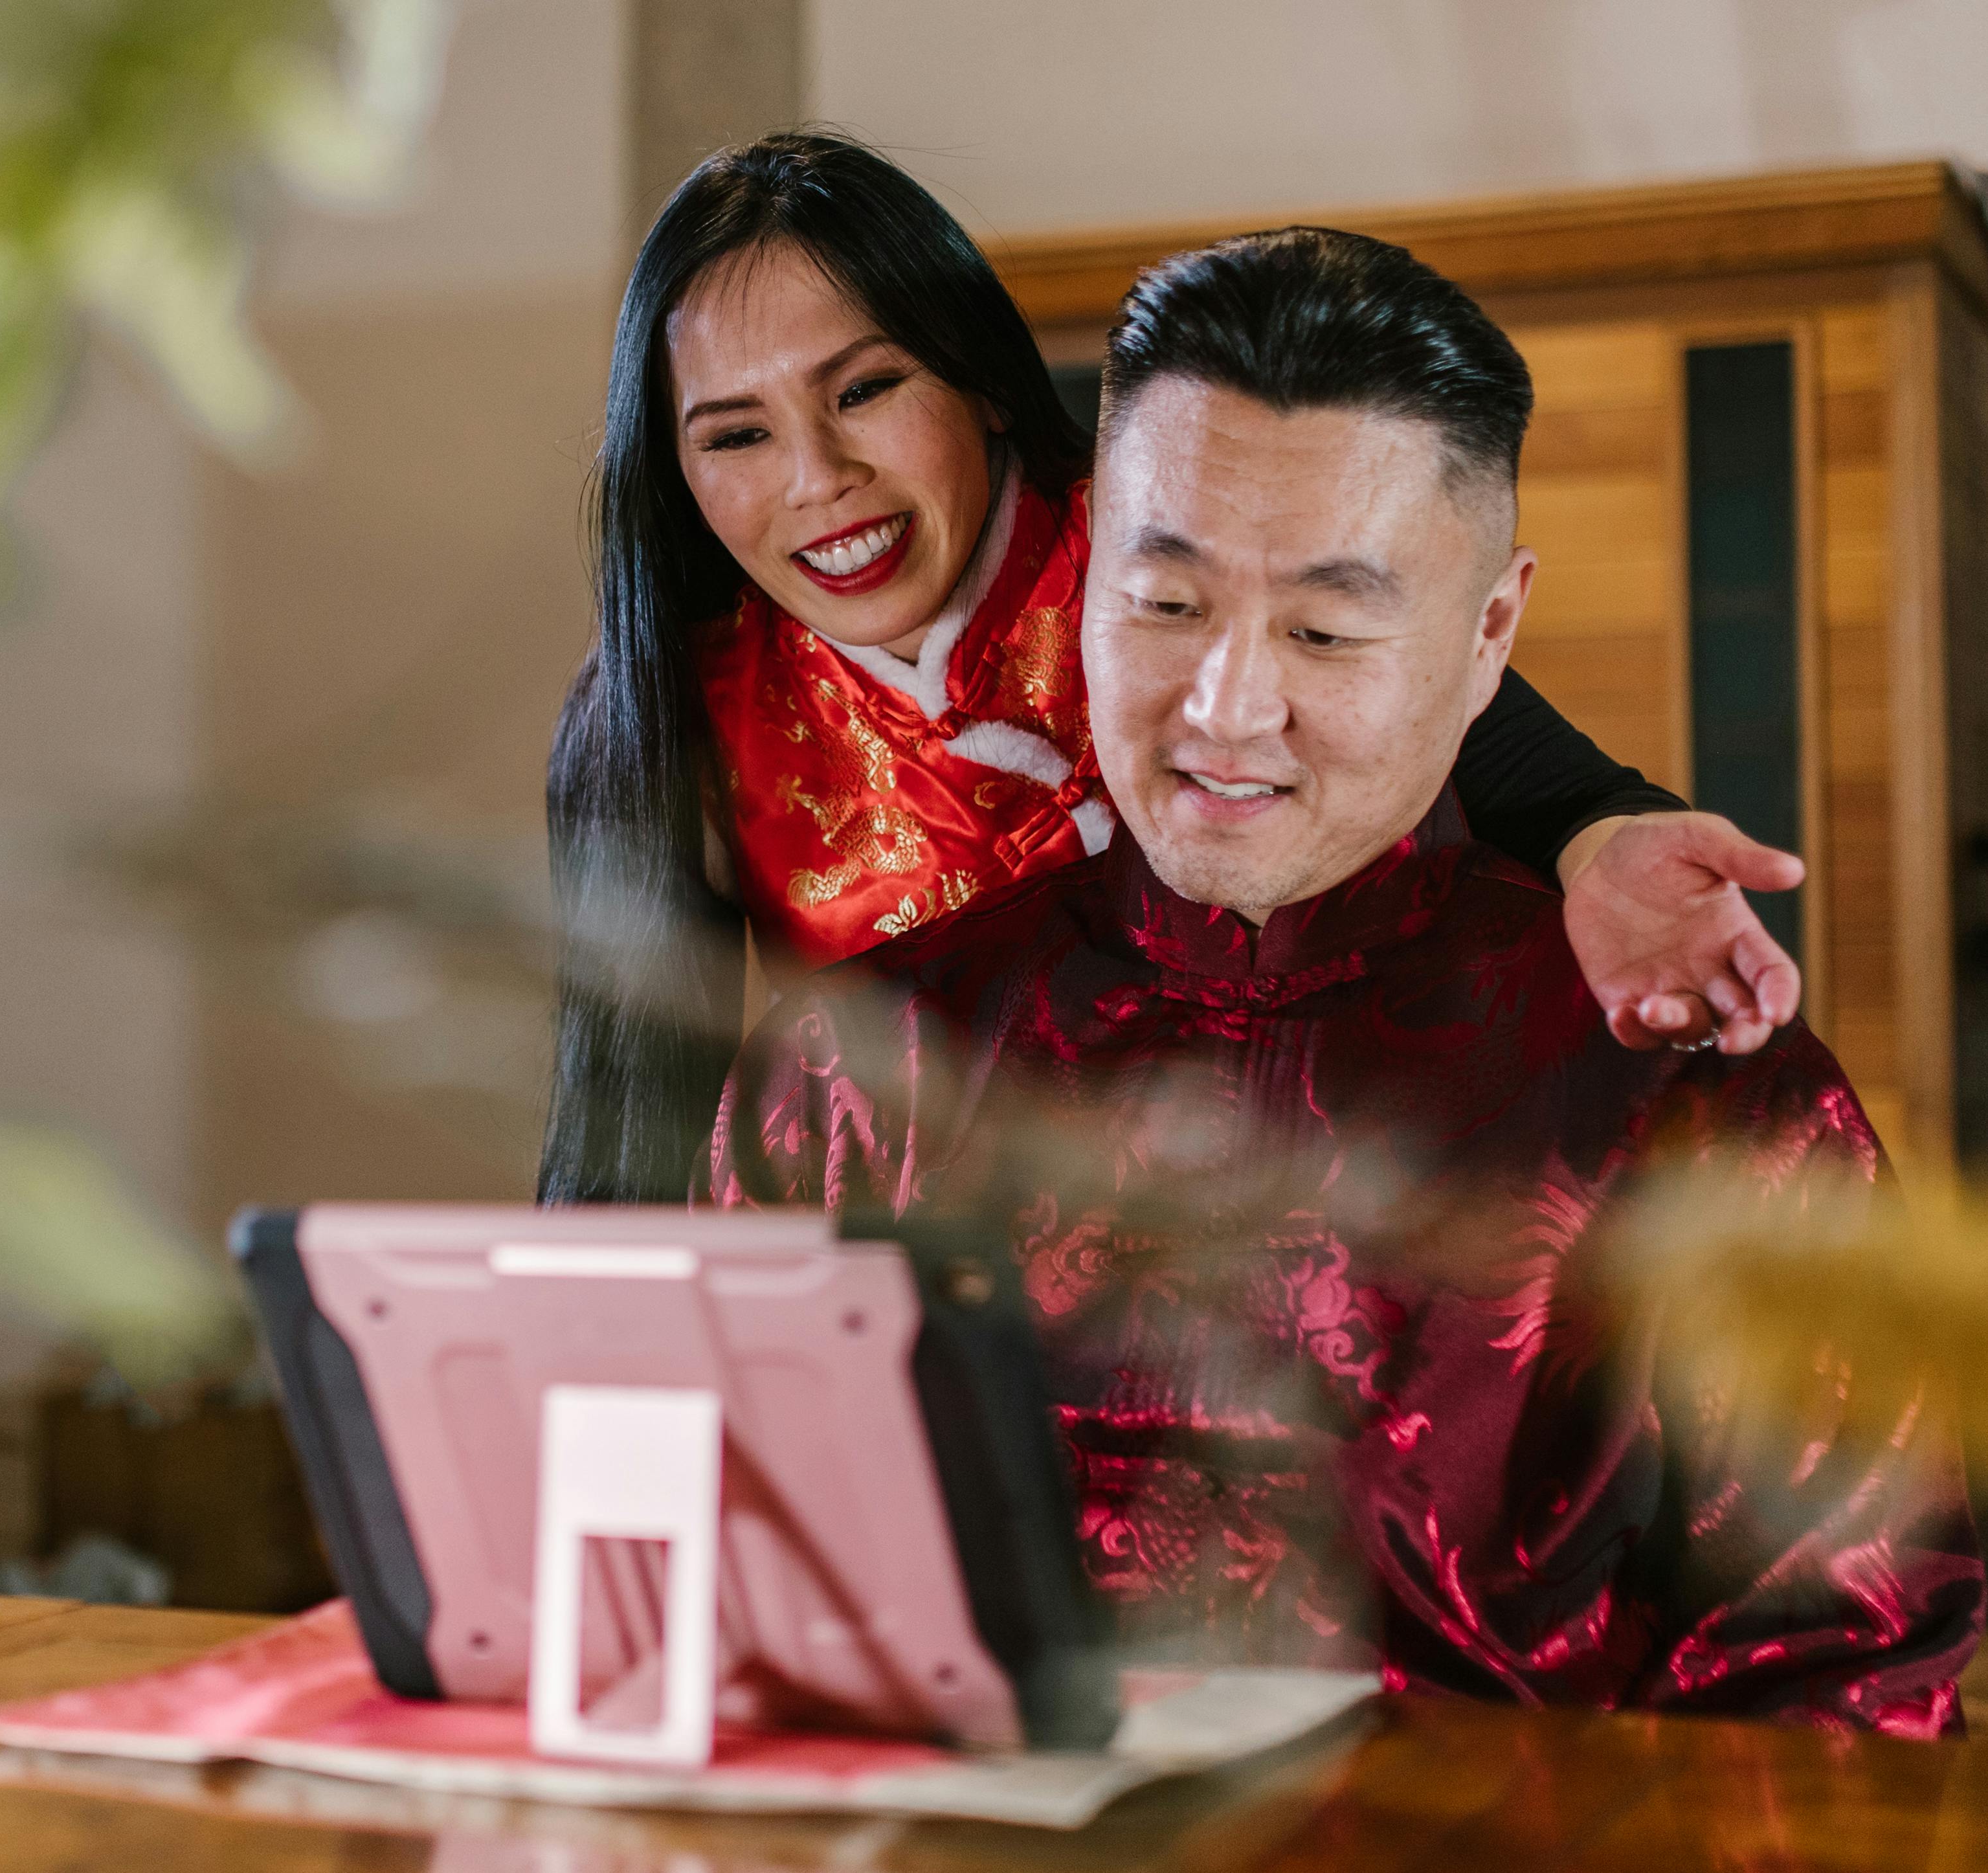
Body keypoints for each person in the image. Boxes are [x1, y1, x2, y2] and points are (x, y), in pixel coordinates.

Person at [709, 227, 1983, 1731]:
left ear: (1488, 631)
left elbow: (1850, 1680)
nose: (1226, 707)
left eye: (1322, 628)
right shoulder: (866, 1061)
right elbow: (724, 1597)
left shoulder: (1695, 1093)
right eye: (1165, 603)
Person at [545, 134, 1805, 1207]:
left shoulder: (1173, 545)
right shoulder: (679, 719)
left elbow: (1519, 761)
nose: (820, 480)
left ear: (979, 378)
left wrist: (1612, 845)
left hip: (1337, 1181)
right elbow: (634, 1138)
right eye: (736, 435)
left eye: (867, 388)